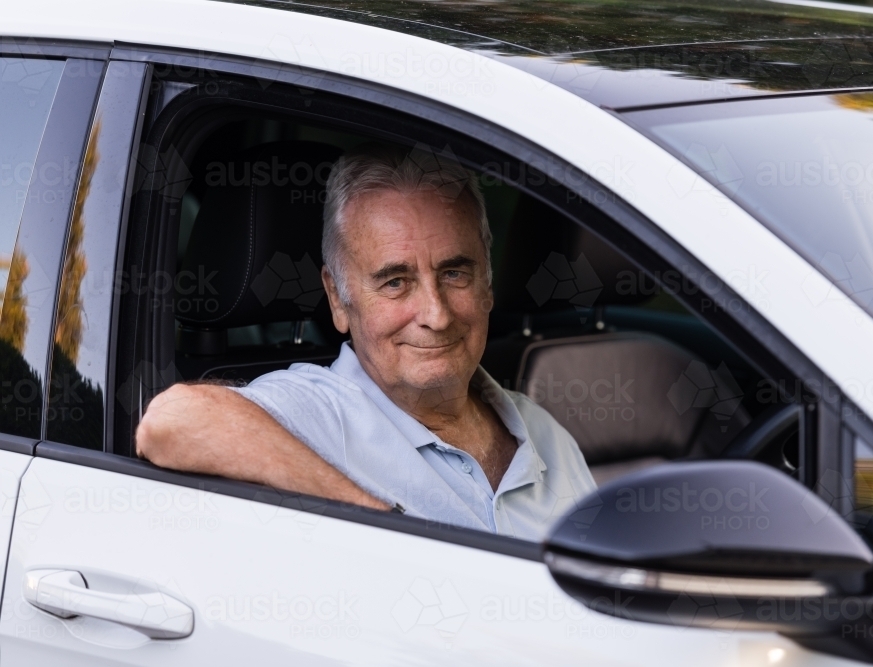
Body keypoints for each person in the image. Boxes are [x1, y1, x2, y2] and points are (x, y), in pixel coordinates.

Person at [136, 144, 596, 541]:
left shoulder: (540, 431)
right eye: (396, 282)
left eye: (455, 273)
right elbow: (172, 422)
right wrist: (378, 524)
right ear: (338, 298)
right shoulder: (322, 414)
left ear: (488, 284)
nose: (436, 315)